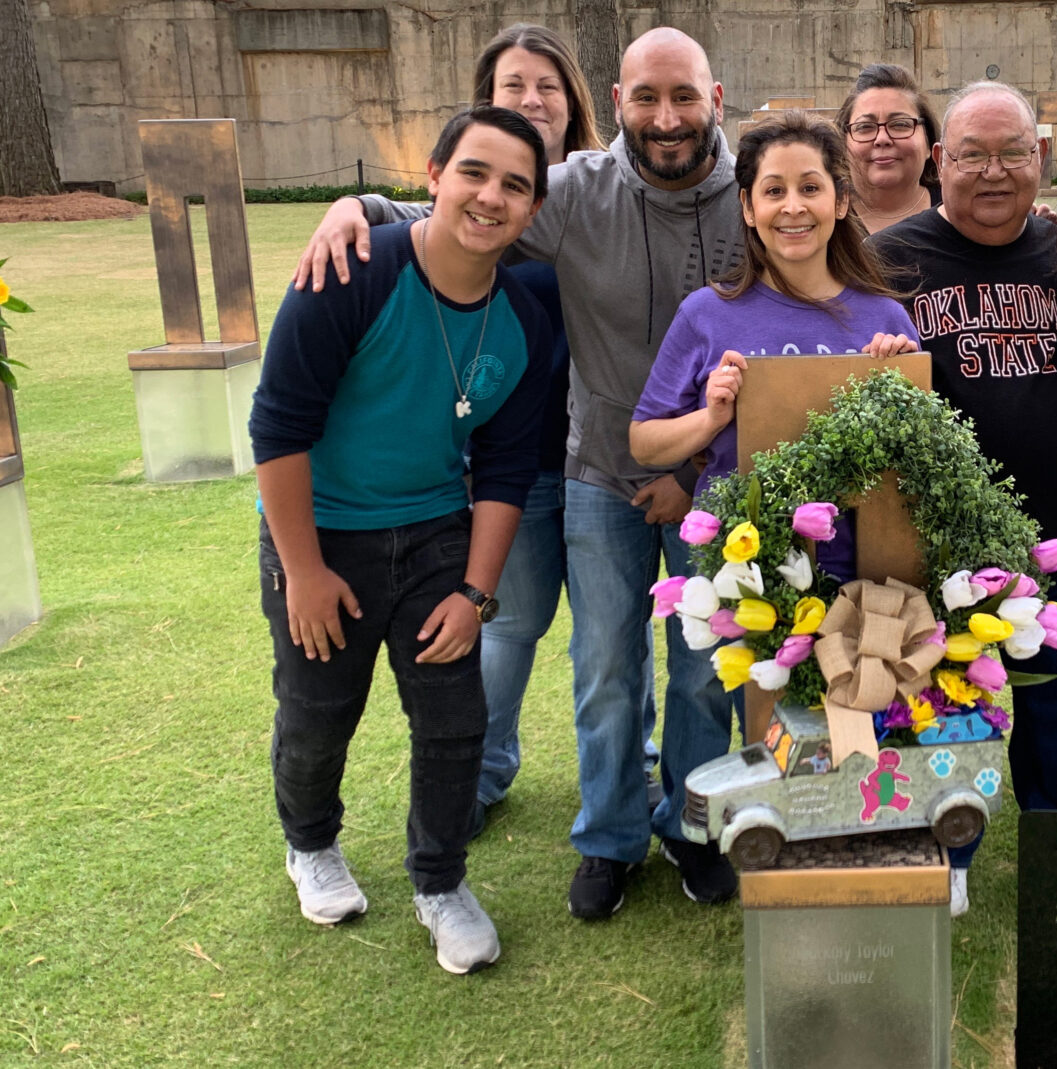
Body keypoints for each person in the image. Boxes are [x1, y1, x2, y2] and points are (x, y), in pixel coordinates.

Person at [293, 27, 745, 919]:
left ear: (716, 99)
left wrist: (697, 471)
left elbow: (816, 253)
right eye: (645, 98)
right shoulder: (575, 192)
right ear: (616, 103)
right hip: (598, 474)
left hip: (717, 476)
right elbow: (470, 210)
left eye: (683, 96)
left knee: (704, 665)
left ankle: (692, 826)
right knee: (606, 664)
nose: (666, 117)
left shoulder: (751, 197)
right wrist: (363, 206)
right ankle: (611, 837)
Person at [250, 105, 555, 974]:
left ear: (533, 209)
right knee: (317, 711)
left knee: (455, 717)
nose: (491, 197)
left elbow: (504, 470)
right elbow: (278, 427)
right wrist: (303, 571)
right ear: (432, 176)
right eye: (475, 172)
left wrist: (475, 593)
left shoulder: (524, 318)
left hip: (434, 535)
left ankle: (440, 881)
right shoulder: (352, 271)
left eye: (516, 186)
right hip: (323, 533)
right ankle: (310, 844)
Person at [867, 82, 1057, 917]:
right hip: (932, 542)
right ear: (940, 163)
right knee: (939, 704)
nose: (995, 171)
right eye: (973, 153)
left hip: (1050, 538)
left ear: (1040, 160)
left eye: (1014, 152)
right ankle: (947, 848)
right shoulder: (887, 254)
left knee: (1056, 698)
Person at [631, 112, 917, 494]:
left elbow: (919, 456)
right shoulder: (704, 314)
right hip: (742, 549)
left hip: (858, 553)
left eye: (811, 188)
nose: (793, 207)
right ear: (749, 207)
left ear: (841, 201)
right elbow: (644, 444)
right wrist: (712, 419)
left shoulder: (886, 319)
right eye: (774, 191)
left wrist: (906, 385)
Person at [834, 64, 943, 234]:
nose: (882, 139)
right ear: (843, 143)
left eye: (900, 124)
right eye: (865, 127)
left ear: (929, 143)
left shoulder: (958, 211)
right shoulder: (824, 219)